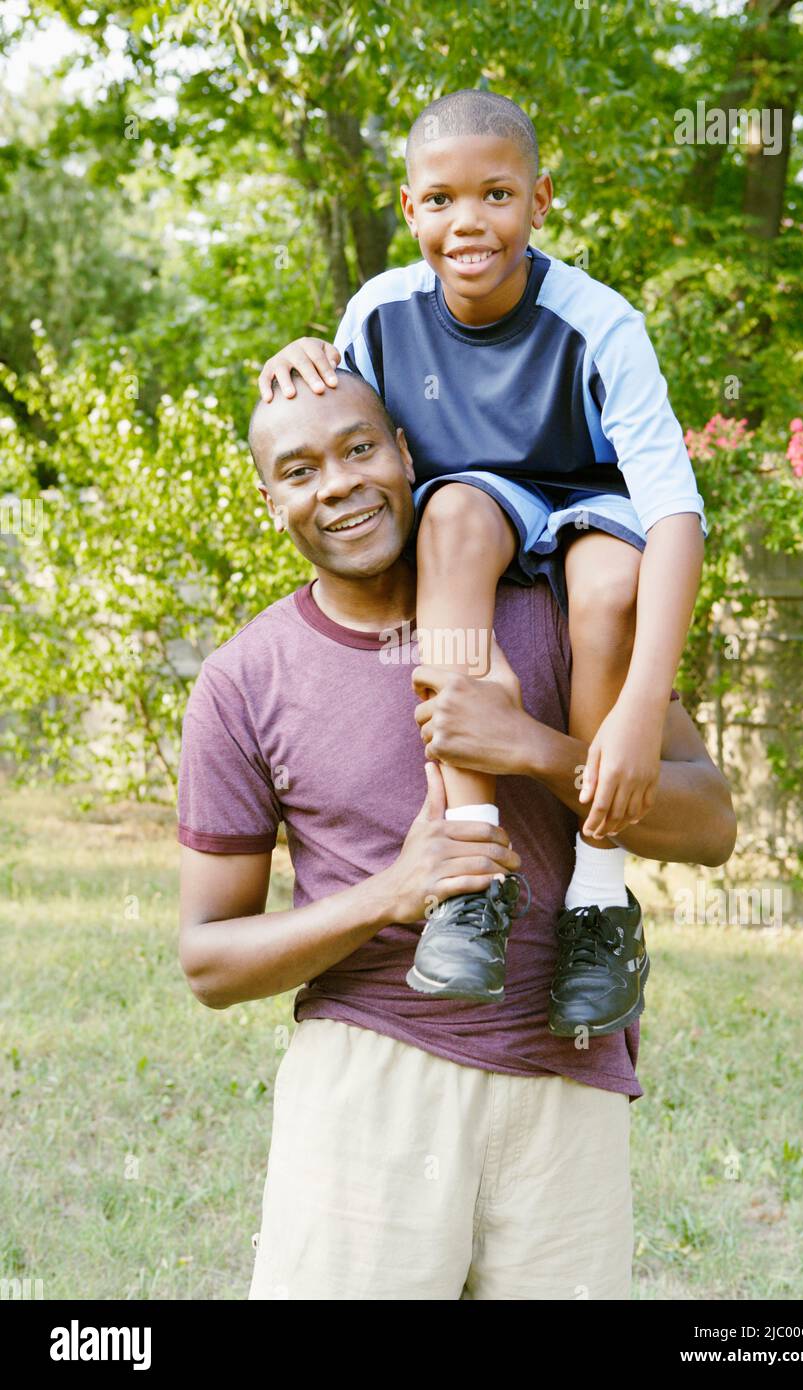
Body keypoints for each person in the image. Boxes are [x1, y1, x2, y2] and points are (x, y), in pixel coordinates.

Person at [177, 369, 737, 1299]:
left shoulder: (558, 613)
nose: (340, 485)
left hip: (567, 1084)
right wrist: (393, 893)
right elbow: (209, 960)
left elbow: (712, 823)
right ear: (268, 498)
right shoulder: (245, 681)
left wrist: (540, 752)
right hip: (368, 1091)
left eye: (360, 449)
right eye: (300, 468)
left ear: (406, 450)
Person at [256, 88, 709, 1036]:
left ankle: (597, 897)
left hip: (594, 502)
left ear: (540, 201)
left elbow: (672, 511)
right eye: (440, 200)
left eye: (496, 195)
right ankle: (471, 870)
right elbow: (343, 439)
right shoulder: (380, 314)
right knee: (453, 509)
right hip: (478, 509)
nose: (469, 222)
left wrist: (634, 712)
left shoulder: (600, 323)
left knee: (607, 587)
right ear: (411, 205)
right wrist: (305, 354)